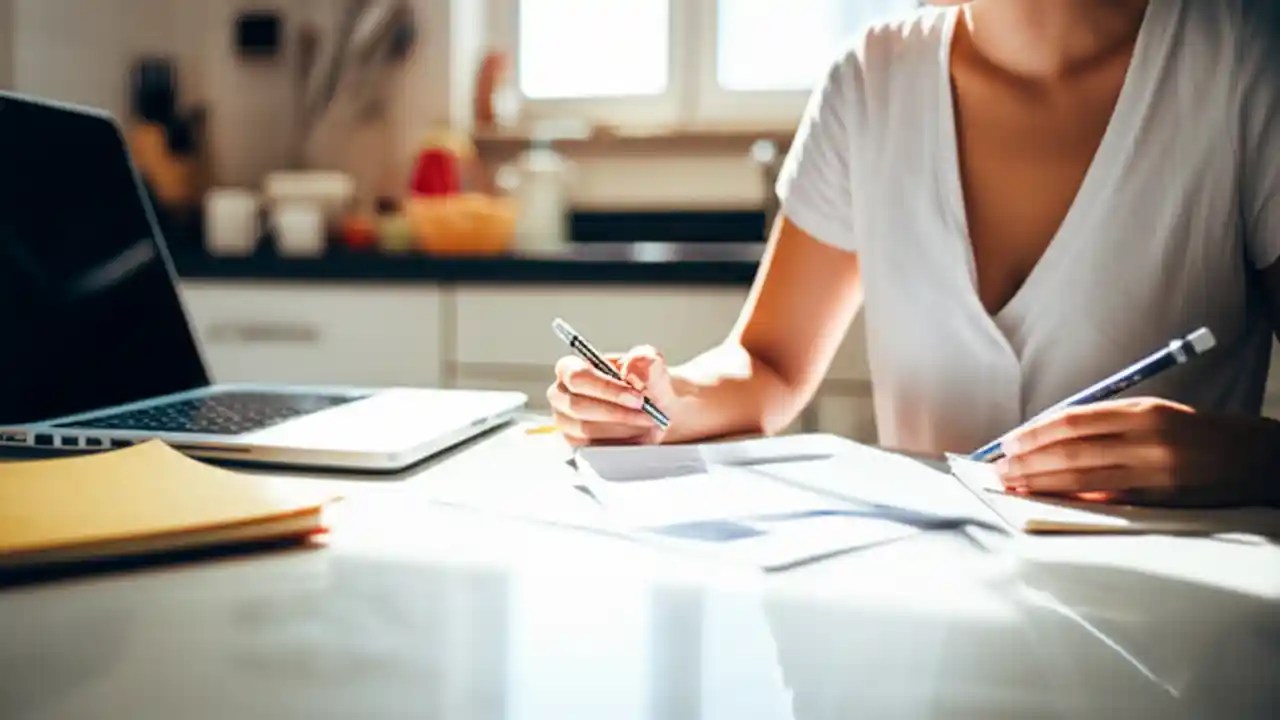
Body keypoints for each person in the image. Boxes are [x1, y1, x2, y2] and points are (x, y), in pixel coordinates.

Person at [547, 0, 1280, 506]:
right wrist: (666, 400)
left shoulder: (1245, 63)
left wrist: (1241, 457)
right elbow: (768, 366)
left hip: (1173, 642)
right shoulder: (870, 78)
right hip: (928, 622)